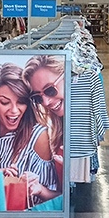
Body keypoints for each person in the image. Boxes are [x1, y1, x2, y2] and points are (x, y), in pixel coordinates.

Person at [0, 63, 60, 203]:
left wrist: (37, 189)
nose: (14, 110)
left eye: (21, 102)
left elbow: (54, 197)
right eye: (5, 102)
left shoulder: (38, 136)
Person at [23, 56, 65, 185]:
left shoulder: (80, 128)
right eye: (38, 98)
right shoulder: (57, 131)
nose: (46, 102)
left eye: (50, 90)